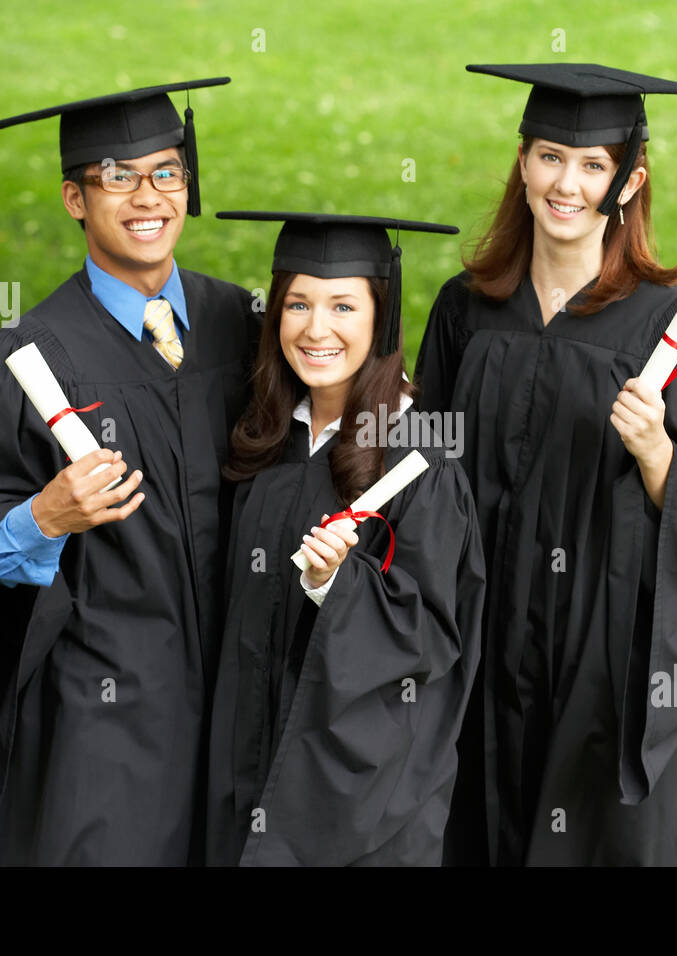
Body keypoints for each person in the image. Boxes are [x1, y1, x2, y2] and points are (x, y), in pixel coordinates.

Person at [0, 79, 260, 865]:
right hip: (105, 704)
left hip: (239, 692)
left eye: (167, 172)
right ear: (74, 199)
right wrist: (41, 519)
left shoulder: (246, 327)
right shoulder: (30, 358)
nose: (148, 195)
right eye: (117, 176)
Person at [414, 63, 677, 866]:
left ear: (629, 182)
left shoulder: (668, 329)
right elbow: (424, 481)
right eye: (549, 157)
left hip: (600, 647)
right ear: (523, 164)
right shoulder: (467, 310)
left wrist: (658, 452)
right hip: (480, 634)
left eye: (594, 165)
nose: (567, 184)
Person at [205, 212, 486, 865]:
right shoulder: (268, 440)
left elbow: (436, 631)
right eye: (297, 303)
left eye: (342, 305)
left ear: (380, 319)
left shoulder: (420, 461)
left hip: (360, 798)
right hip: (245, 763)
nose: (316, 327)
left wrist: (341, 585)